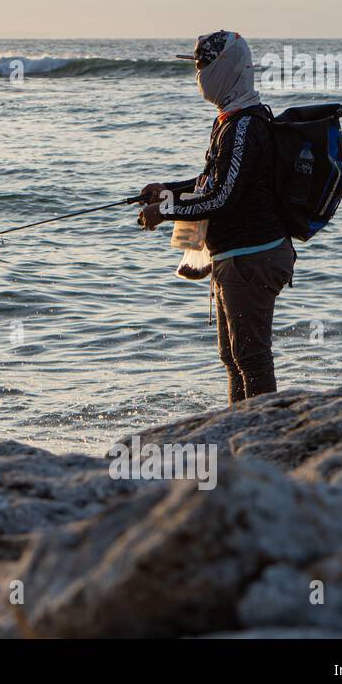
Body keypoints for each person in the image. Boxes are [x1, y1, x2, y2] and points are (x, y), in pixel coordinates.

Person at [136, 30, 295, 404]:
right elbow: (212, 182)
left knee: (251, 358)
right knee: (232, 356)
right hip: (233, 257)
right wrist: (167, 189)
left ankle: (261, 438)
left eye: (203, 64)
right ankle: (239, 429)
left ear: (226, 68)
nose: (198, 73)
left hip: (252, 257)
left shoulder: (244, 126)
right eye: (196, 65)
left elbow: (222, 198)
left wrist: (164, 212)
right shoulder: (229, 119)